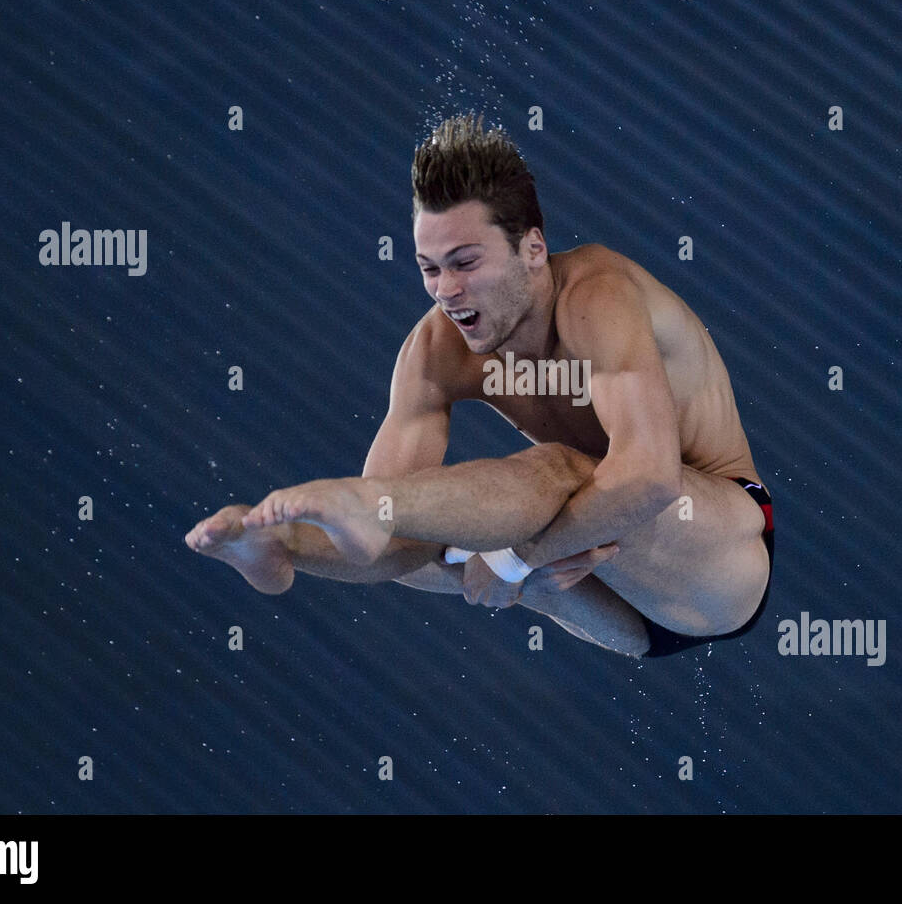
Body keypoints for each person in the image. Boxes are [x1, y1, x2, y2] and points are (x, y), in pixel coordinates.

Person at [185, 113, 774, 658]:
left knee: (560, 469)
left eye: (465, 263)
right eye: (429, 268)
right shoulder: (434, 349)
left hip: (714, 555)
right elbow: (381, 537)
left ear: (533, 249)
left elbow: (649, 477)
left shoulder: (596, 297)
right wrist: (357, 521)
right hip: (608, 601)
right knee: (415, 528)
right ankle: (276, 543)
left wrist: (516, 559)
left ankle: (498, 547)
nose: (445, 290)